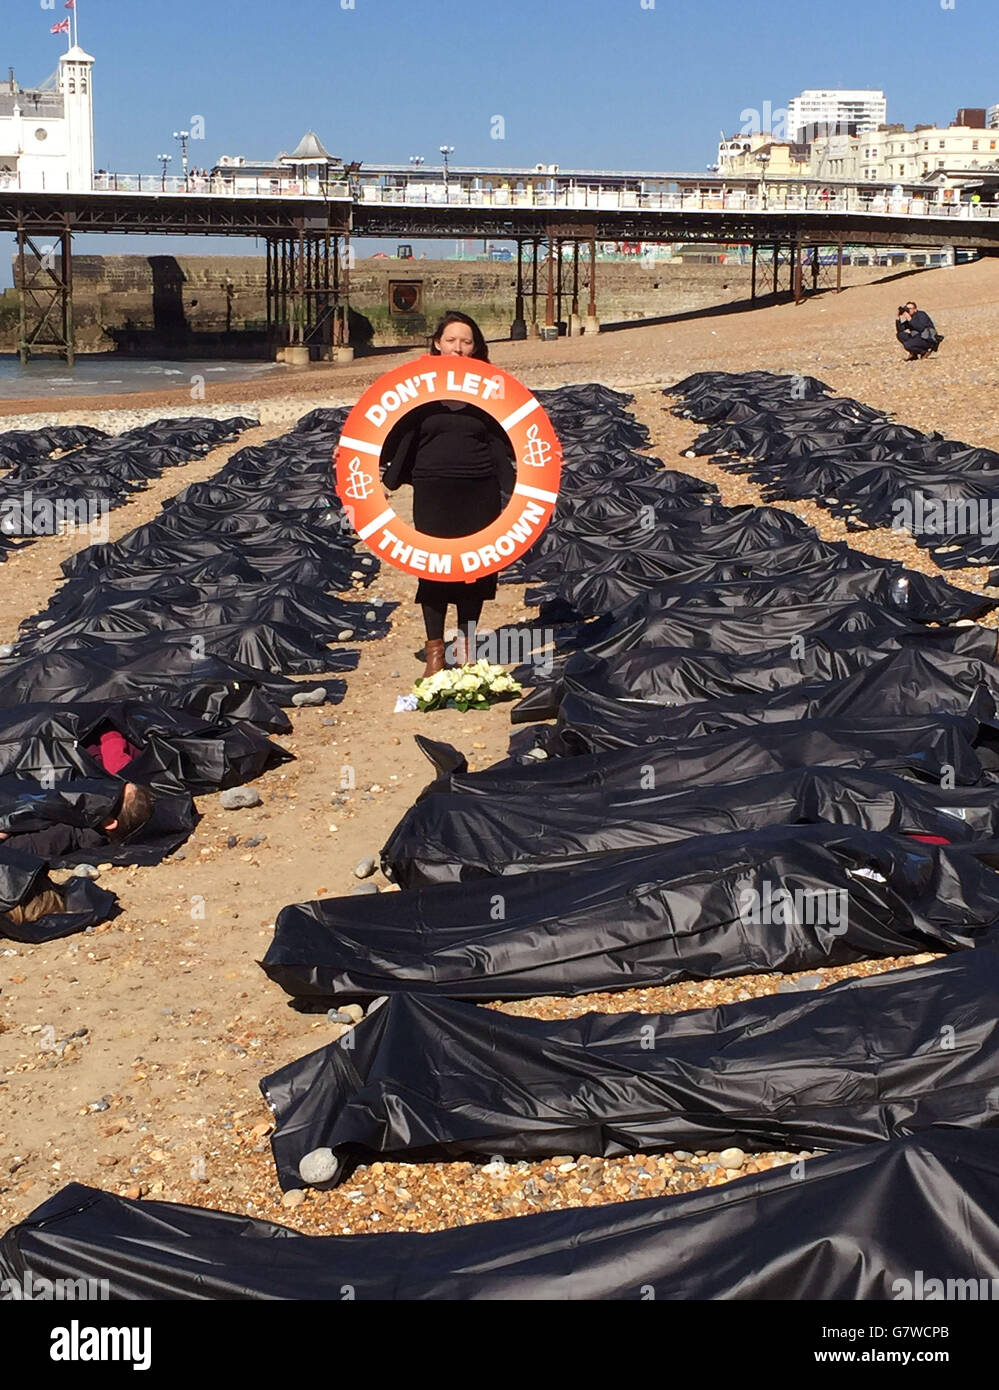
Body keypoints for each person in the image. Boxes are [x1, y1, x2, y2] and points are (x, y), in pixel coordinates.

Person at [381, 311, 515, 677]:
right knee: (435, 571)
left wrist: (546, 458)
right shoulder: (417, 389)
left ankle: (468, 648)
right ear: (438, 344)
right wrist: (351, 452)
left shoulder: (492, 389)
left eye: (466, 341)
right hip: (433, 491)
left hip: (480, 489)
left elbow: (516, 435)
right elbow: (385, 432)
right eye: (451, 340)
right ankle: (436, 653)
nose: (458, 347)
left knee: (476, 571)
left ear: (476, 348)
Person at [0, 781, 155, 860]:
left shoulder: (62, 834)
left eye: (112, 797)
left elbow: (13, 850)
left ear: (109, 822)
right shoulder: (78, 820)